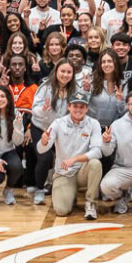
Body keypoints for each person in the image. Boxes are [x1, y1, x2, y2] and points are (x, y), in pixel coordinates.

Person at [38, 91, 104, 219]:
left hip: (82, 171)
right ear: (69, 106)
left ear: (86, 108)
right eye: (75, 106)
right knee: (61, 211)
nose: (78, 110)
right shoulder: (58, 123)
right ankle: (70, 195)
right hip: (64, 172)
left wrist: (74, 159)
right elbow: (41, 150)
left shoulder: (94, 124)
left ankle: (90, 203)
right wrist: (44, 141)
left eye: (82, 106)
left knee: (95, 163)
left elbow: (97, 151)